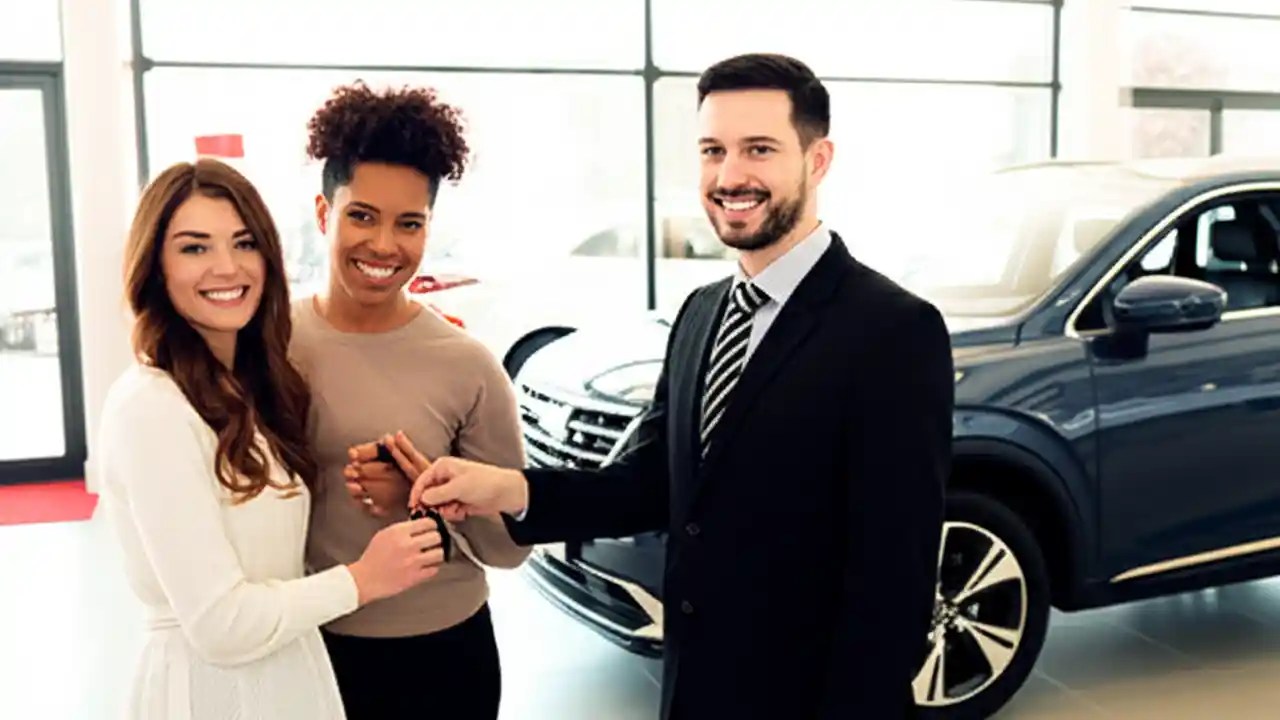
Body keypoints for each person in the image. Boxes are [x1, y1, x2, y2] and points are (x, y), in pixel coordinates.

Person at [409, 54, 955, 719]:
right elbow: (656, 484)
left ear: (818, 160)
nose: (730, 176)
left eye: (759, 149)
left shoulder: (894, 331)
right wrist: (510, 489)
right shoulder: (700, 313)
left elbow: (893, 585)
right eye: (712, 150)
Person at [97, 158, 446, 720]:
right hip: (212, 693)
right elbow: (220, 626)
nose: (226, 267)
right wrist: (362, 579)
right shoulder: (152, 409)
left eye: (244, 243)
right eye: (194, 248)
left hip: (284, 677)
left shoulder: (245, 392)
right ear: (155, 268)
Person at [289, 81, 530, 720]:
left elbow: (509, 549)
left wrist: (428, 498)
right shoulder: (270, 347)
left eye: (409, 223)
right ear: (323, 213)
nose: (384, 246)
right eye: (361, 215)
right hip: (309, 648)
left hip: (443, 655)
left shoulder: (467, 364)